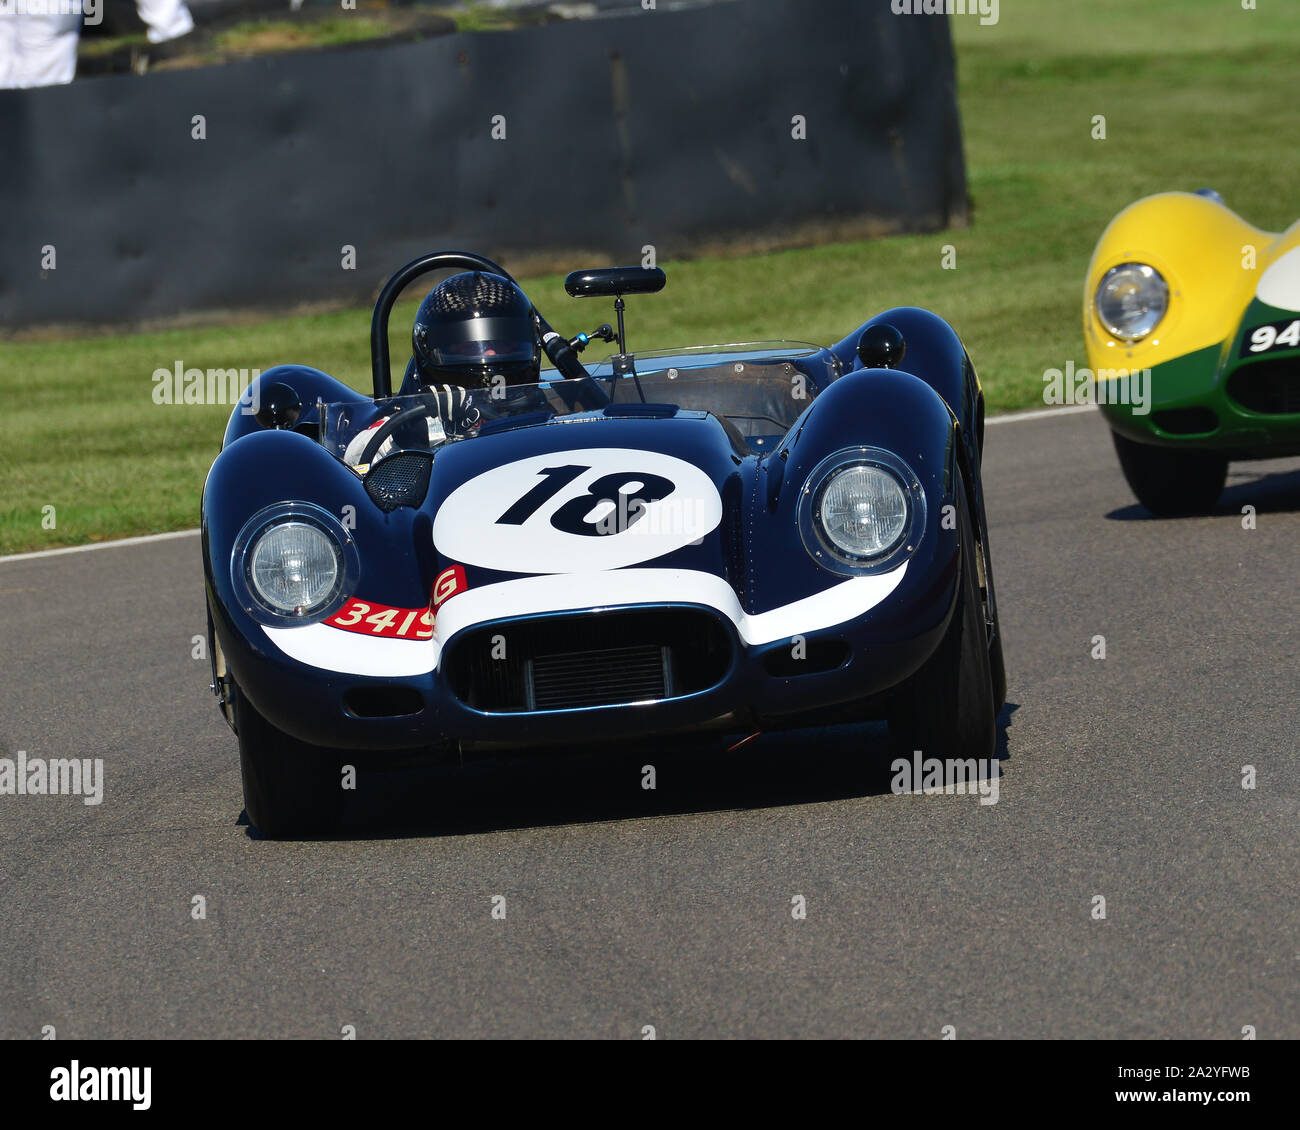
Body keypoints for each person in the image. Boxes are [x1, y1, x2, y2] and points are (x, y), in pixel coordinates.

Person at [344, 272, 545, 467]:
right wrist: (409, 438)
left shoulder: (555, 403)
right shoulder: (413, 421)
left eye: (503, 345)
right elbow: (354, 458)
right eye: (469, 347)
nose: (489, 354)